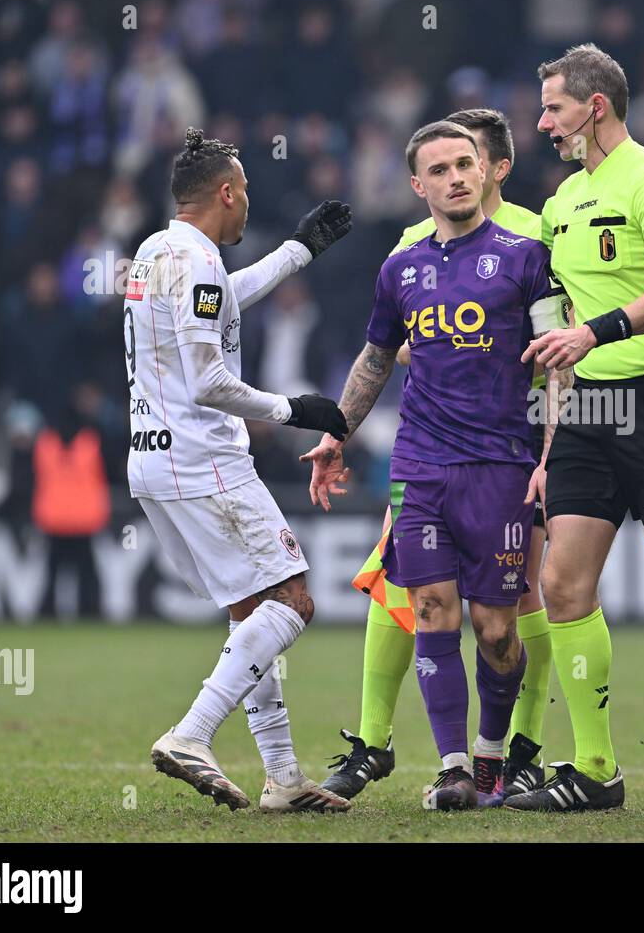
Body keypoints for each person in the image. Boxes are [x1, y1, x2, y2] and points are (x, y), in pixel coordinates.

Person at [301, 121, 569, 811]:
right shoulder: (401, 268)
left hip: (502, 466)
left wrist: (552, 454)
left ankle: (492, 754)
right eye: (439, 169)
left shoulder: (528, 256)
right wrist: (336, 434)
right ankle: (455, 768)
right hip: (421, 465)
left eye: (464, 164)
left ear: (485, 172)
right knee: (428, 610)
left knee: (498, 629)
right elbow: (374, 359)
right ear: (417, 186)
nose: (455, 177)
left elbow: (560, 360)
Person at [500, 43, 644, 814]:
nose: (543, 122)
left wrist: (594, 332)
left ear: (595, 106)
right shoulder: (560, 206)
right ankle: (596, 767)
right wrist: (549, 444)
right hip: (588, 410)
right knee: (561, 583)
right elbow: (556, 343)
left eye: (553, 107)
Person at [130, 127, 354, 812]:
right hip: (207, 462)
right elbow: (206, 380)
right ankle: (192, 734)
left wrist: (297, 251)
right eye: (247, 191)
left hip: (153, 460)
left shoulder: (156, 251)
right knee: (291, 603)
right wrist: (296, 409)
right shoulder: (193, 261)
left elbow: (223, 296)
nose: (249, 203)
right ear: (225, 193)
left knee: (249, 611)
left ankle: (283, 778)